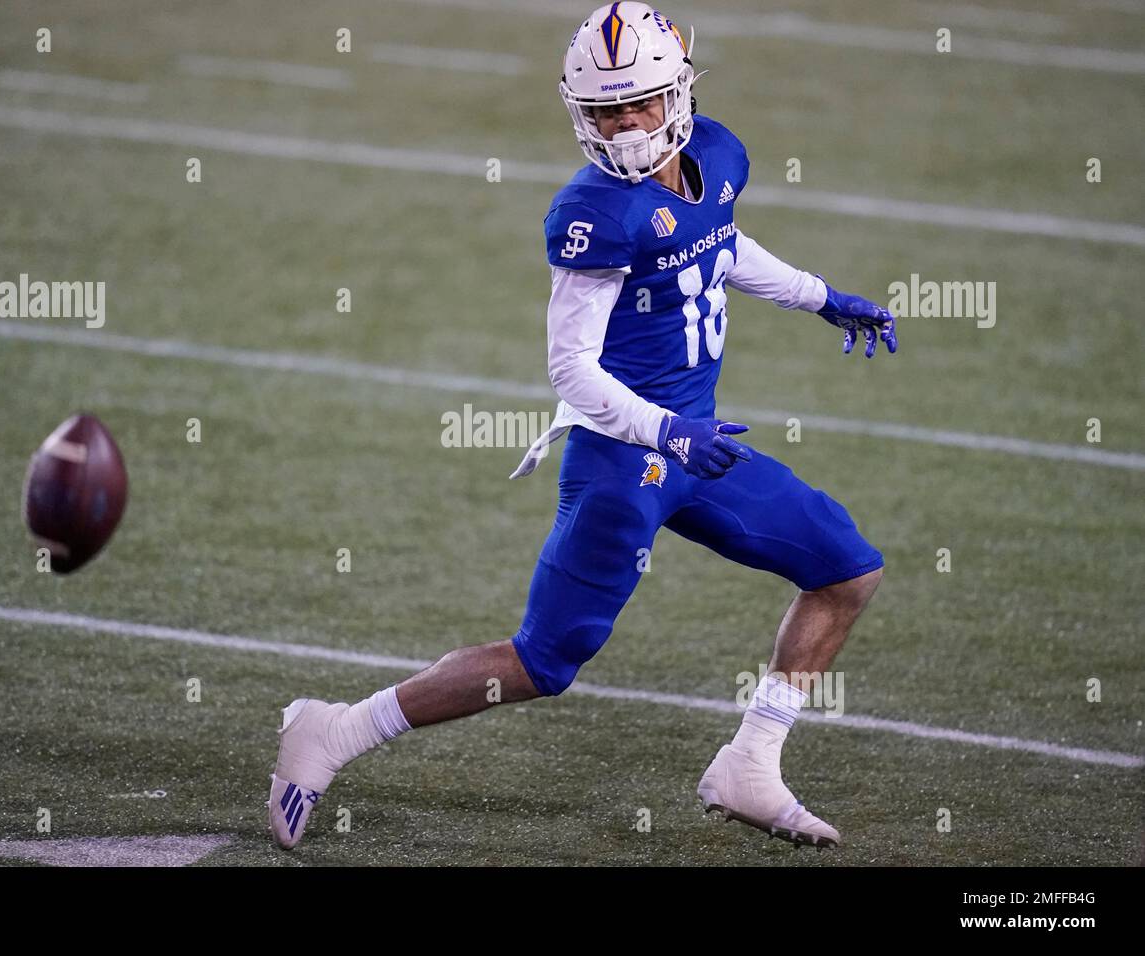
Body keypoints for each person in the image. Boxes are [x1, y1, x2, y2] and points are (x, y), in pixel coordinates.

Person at [268, 1, 897, 852]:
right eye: (603, 109)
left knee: (845, 569)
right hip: (621, 459)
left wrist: (819, 297)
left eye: (636, 103)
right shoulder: (595, 211)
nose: (622, 124)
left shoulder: (716, 155)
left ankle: (750, 762)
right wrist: (667, 432)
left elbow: (719, 245)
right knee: (542, 664)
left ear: (677, 94)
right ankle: (335, 730)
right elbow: (571, 370)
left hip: (695, 446)